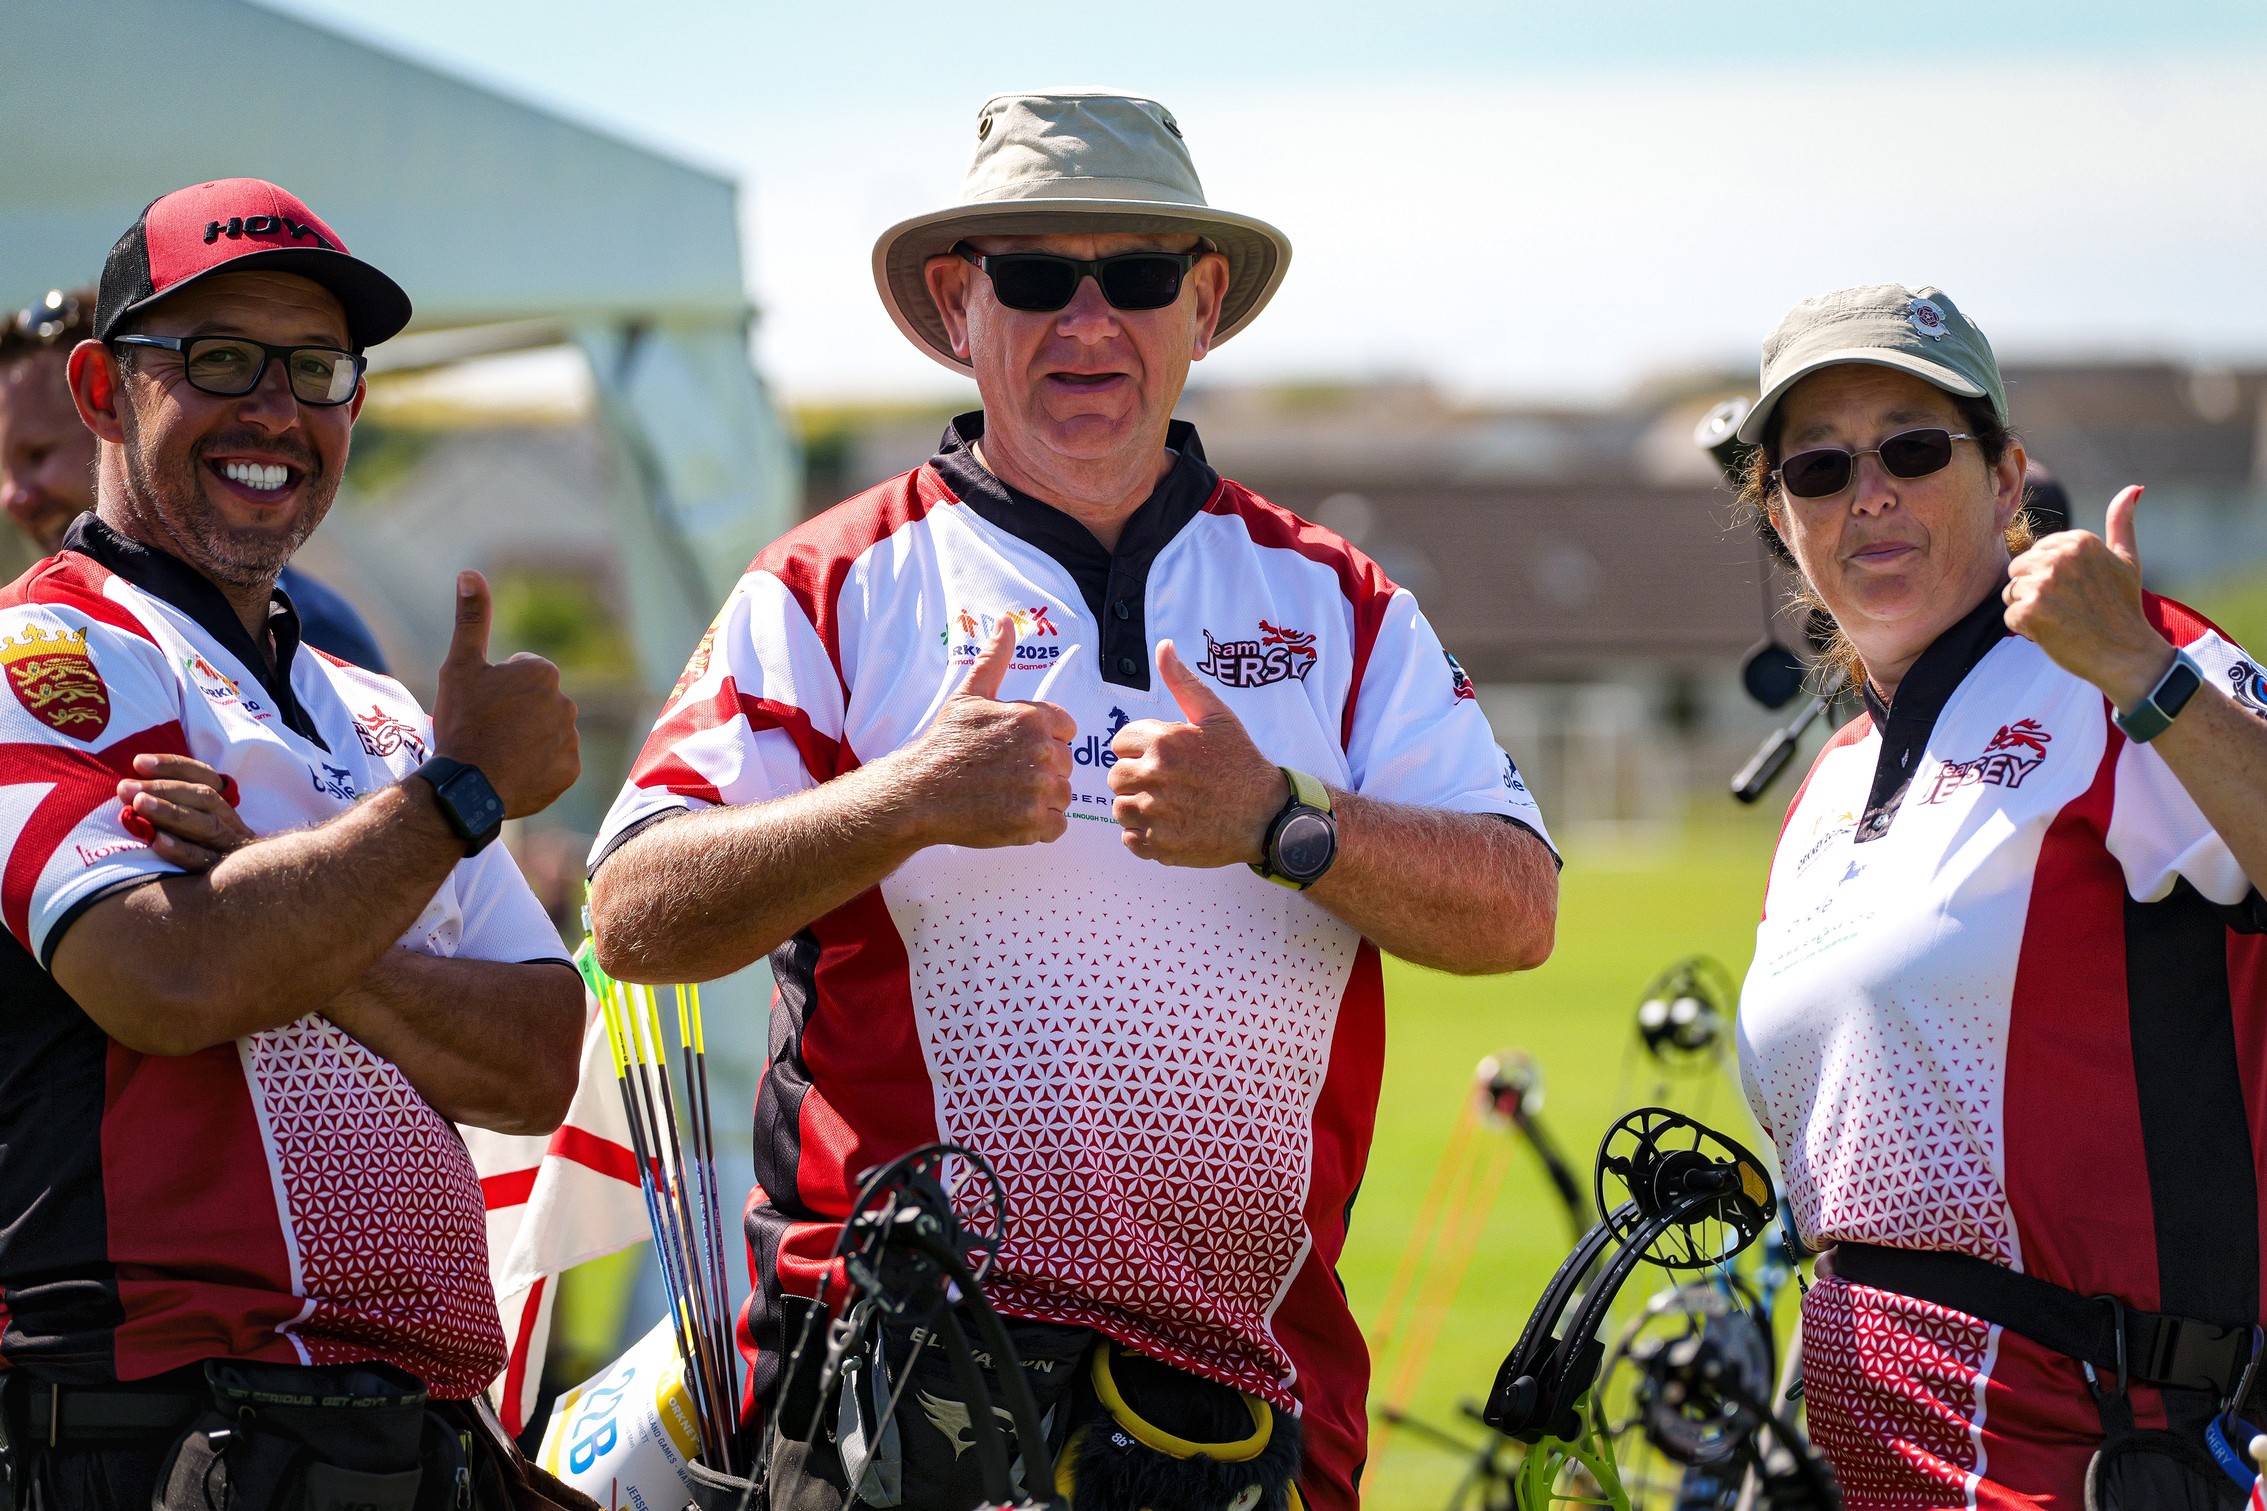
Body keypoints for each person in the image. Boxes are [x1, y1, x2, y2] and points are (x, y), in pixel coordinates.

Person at [584, 91, 1559, 1510]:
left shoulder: (1339, 601)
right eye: (1036, 276)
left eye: (1139, 276)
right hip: (888, 1387)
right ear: (955, 304)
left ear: (1204, 303)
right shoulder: (825, 583)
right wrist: (898, 800)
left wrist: (1287, 822)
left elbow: (1516, 910)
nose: (1086, 319)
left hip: (1242, 1400)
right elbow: (633, 911)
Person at [0, 178, 586, 1510]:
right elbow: (170, 981)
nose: (274, 407)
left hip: (420, 1441)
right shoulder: (37, 652)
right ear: (99, 389)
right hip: (147, 1437)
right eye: (218, 360)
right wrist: (448, 808)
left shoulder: (384, 711)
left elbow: (536, 1058)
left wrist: (285, 895)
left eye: (314, 367)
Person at [1732, 285, 2267, 1507]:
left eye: (1913, 449)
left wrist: (2139, 666)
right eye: (1816, 470)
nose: (1866, 492)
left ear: (2007, 475)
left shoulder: (2122, 662)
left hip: (2105, 1448)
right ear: (1779, 515)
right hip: (1876, 1451)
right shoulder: (1828, 784)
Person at [2, 287, 393, 670]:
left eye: (37, 455)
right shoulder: (30, 642)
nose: (12, 497)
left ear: (103, 400)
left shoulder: (321, 642)